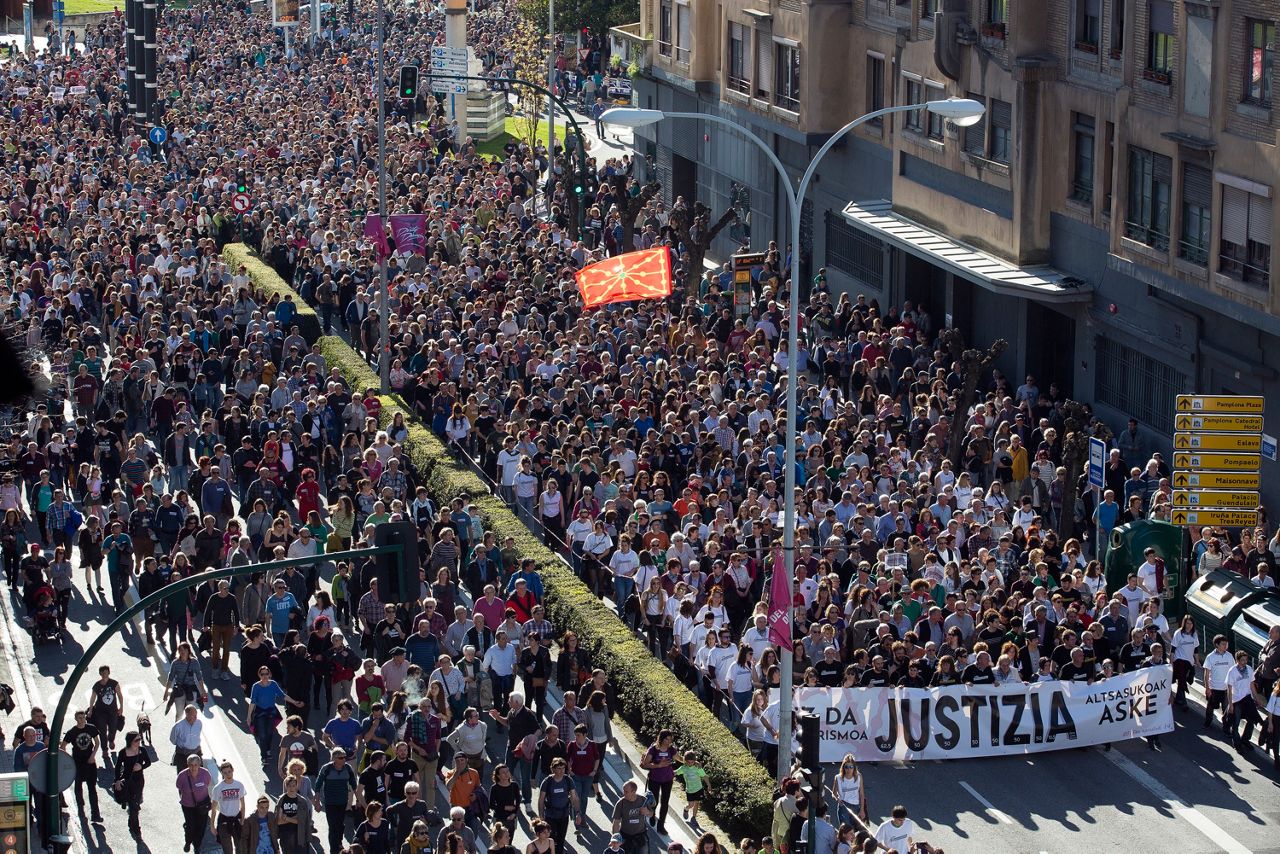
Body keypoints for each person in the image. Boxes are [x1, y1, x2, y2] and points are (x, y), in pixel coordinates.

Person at [315, 747, 358, 854]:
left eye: (344, 757)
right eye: (341, 758)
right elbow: (318, 785)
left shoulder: (348, 768)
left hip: (343, 802)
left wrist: (358, 800)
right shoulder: (326, 769)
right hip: (330, 803)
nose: (344, 759)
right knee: (333, 826)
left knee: (340, 825)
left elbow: (354, 785)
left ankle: (338, 843)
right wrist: (317, 801)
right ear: (334, 758)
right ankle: (334, 849)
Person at [64, 709, 103, 824]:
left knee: (92, 788)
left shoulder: (91, 728)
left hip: (90, 762)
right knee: (78, 787)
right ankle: (80, 809)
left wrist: (93, 756)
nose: (82, 720)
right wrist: (69, 760)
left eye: (84, 717)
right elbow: (63, 746)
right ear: (76, 719)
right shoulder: (72, 732)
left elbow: (97, 743)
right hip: (77, 762)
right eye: (80, 718)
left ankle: (95, 814)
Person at [112, 731, 152, 838]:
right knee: (133, 805)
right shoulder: (123, 752)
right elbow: (117, 767)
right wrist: (117, 780)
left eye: (139, 739)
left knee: (135, 804)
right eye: (136, 740)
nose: (139, 742)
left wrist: (141, 767)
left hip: (139, 781)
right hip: (127, 781)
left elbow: (148, 762)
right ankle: (136, 829)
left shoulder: (142, 750)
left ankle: (131, 823)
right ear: (130, 741)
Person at [640, 729, 678, 833]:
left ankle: (661, 826)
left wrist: (691, 761)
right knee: (654, 801)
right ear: (661, 739)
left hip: (668, 779)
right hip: (654, 779)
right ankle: (652, 815)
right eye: (667, 739)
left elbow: (680, 758)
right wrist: (658, 765)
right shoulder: (653, 749)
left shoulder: (671, 749)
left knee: (665, 803)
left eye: (670, 739)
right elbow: (645, 764)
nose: (669, 742)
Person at [177, 752, 215, 853]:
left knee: (201, 827)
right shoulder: (182, 775)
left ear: (199, 764)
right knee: (191, 826)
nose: (193, 767)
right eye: (191, 765)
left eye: (195, 765)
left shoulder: (205, 773)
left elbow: (208, 785)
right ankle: (188, 842)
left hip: (202, 805)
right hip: (188, 806)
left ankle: (197, 845)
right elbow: (179, 787)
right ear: (188, 765)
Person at [537, 756, 577, 852]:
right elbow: (541, 800)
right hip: (550, 815)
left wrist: (578, 813)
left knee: (561, 839)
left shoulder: (568, 780)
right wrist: (541, 816)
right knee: (551, 839)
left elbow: (574, 797)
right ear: (553, 769)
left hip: (564, 815)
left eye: (563, 768)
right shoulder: (547, 781)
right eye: (559, 768)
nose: (562, 771)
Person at [1227, 649, 1263, 751]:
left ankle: (1245, 739)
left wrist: (1257, 699)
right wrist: (1230, 704)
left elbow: (1252, 685)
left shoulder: (1249, 669)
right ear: (1237, 660)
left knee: (1252, 720)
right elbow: (1229, 689)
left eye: (1246, 660)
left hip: (1247, 699)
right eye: (1242, 660)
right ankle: (1237, 743)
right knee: (1236, 723)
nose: (1244, 662)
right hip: (1237, 700)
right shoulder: (1232, 671)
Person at [211, 761, 248, 854]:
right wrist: (212, 826)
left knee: (240, 847)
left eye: (229, 771)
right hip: (224, 820)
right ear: (222, 773)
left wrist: (242, 819)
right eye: (225, 772)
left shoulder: (239, 785)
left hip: (236, 818)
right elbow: (213, 808)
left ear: (233, 770)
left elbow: (243, 804)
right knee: (227, 849)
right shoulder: (218, 788)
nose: (228, 774)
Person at [829, 754, 869, 835]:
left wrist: (862, 809)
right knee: (847, 831)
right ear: (843, 767)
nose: (849, 769)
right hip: (844, 806)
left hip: (856, 805)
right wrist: (838, 799)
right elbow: (834, 793)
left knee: (860, 830)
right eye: (846, 767)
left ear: (854, 768)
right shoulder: (838, 778)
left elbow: (861, 794)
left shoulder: (858, 776)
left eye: (851, 767)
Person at [275, 773, 314, 854]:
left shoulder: (302, 801)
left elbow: (302, 821)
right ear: (286, 786)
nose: (291, 788)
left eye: (293, 785)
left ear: (297, 786)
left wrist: (286, 818)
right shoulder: (281, 800)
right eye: (289, 786)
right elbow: (278, 821)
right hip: (285, 835)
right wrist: (295, 818)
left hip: (300, 835)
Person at [611, 780, 652, 854]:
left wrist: (647, 812)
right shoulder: (620, 803)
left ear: (633, 791)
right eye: (623, 791)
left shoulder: (643, 800)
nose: (623, 793)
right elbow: (616, 823)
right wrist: (615, 839)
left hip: (641, 836)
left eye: (626, 791)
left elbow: (651, 814)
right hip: (625, 837)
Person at [676, 750, 710, 824]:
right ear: (685, 761)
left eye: (692, 762)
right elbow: (676, 772)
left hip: (698, 789)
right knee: (691, 805)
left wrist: (709, 785)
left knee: (697, 803)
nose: (690, 764)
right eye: (688, 762)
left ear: (694, 761)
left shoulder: (697, 767)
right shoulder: (683, 768)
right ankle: (686, 809)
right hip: (690, 790)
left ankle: (693, 818)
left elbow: (704, 776)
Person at [170, 703, 205, 768]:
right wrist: (181, 745)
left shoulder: (199, 723)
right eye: (193, 715)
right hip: (183, 754)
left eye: (196, 715)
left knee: (198, 772)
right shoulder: (178, 726)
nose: (196, 717)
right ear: (187, 714)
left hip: (196, 752)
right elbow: (173, 739)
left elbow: (198, 735)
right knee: (183, 772)